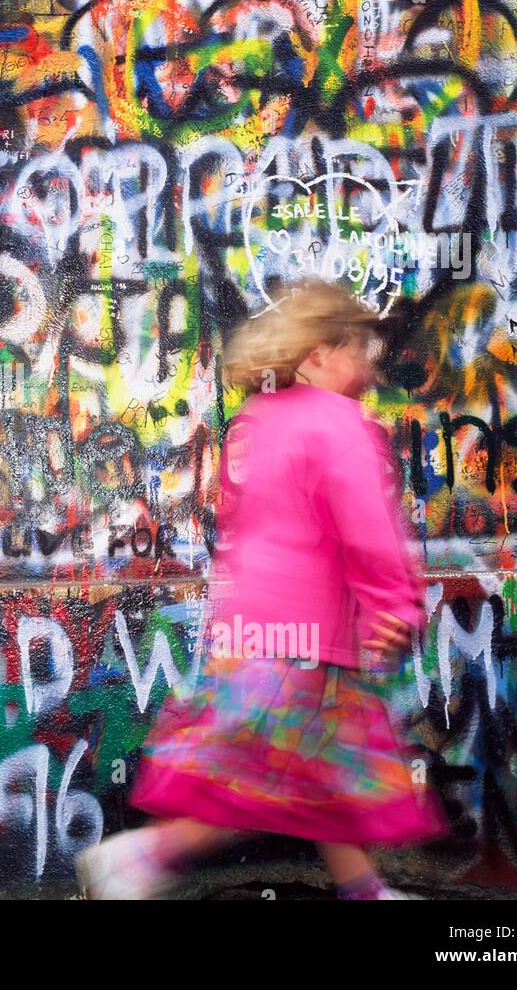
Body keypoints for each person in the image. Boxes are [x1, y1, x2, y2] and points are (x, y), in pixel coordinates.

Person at [76, 278, 447, 900]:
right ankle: (141, 858)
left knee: (319, 775)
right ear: (316, 353)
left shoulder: (259, 418)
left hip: (255, 630)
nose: (367, 361)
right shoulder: (339, 425)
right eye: (354, 347)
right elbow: (367, 532)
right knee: (268, 782)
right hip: (309, 640)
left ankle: (365, 892)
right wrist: (394, 603)